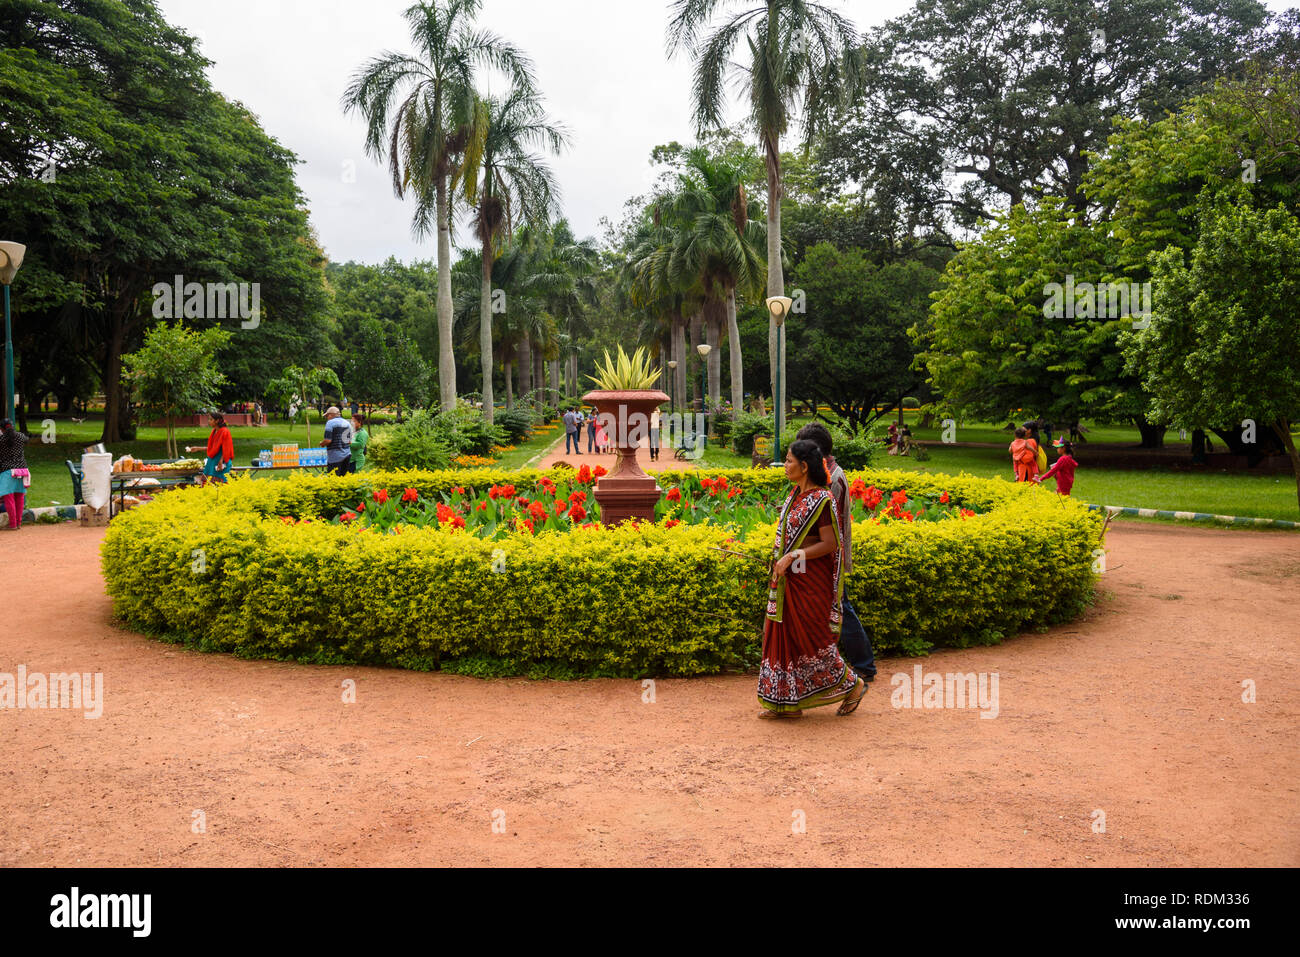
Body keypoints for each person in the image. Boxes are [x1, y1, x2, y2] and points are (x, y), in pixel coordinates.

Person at [757, 439, 867, 719]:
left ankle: (853, 685)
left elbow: (830, 544)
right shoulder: (794, 496)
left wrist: (794, 556)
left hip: (808, 583)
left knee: (811, 642)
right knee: (784, 639)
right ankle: (788, 704)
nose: (785, 465)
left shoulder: (822, 499)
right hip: (787, 582)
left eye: (790, 461)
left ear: (804, 467)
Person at [796, 422, 876, 683]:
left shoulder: (833, 477)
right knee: (838, 607)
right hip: (821, 554)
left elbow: (822, 519)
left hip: (830, 556)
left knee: (841, 608)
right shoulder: (826, 472)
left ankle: (864, 665)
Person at [186, 413, 234, 485]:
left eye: (211, 419)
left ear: (217, 421)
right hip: (212, 461)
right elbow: (214, 448)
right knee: (208, 484)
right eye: (209, 419)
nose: (209, 421)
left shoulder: (225, 431)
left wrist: (221, 461)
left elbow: (227, 448)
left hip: (220, 462)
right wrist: (197, 448)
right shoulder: (214, 431)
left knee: (220, 485)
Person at [0, 419, 31, 530]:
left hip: (7, 471)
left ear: (1, 429)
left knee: (9, 498)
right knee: (20, 496)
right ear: (12, 426)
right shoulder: (20, 436)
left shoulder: (1, 439)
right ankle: (18, 523)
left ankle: (12, 524)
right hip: (22, 469)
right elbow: (27, 440)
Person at [320, 405, 352, 476]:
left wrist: (322, 443)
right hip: (347, 455)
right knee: (343, 479)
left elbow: (328, 440)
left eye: (327, 416)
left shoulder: (330, 423)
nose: (327, 418)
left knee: (333, 480)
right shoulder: (347, 423)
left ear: (331, 415)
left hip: (335, 456)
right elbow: (349, 441)